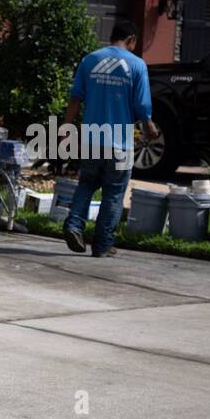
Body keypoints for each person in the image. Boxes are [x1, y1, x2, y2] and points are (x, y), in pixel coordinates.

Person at [62, 18, 159, 257]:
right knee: (113, 193)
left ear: (111, 37)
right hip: (120, 142)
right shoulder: (136, 65)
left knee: (87, 183)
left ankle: (74, 225)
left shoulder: (90, 60)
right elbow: (141, 106)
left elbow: (75, 99)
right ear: (131, 40)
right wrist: (149, 127)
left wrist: (64, 128)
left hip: (92, 139)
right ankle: (103, 244)